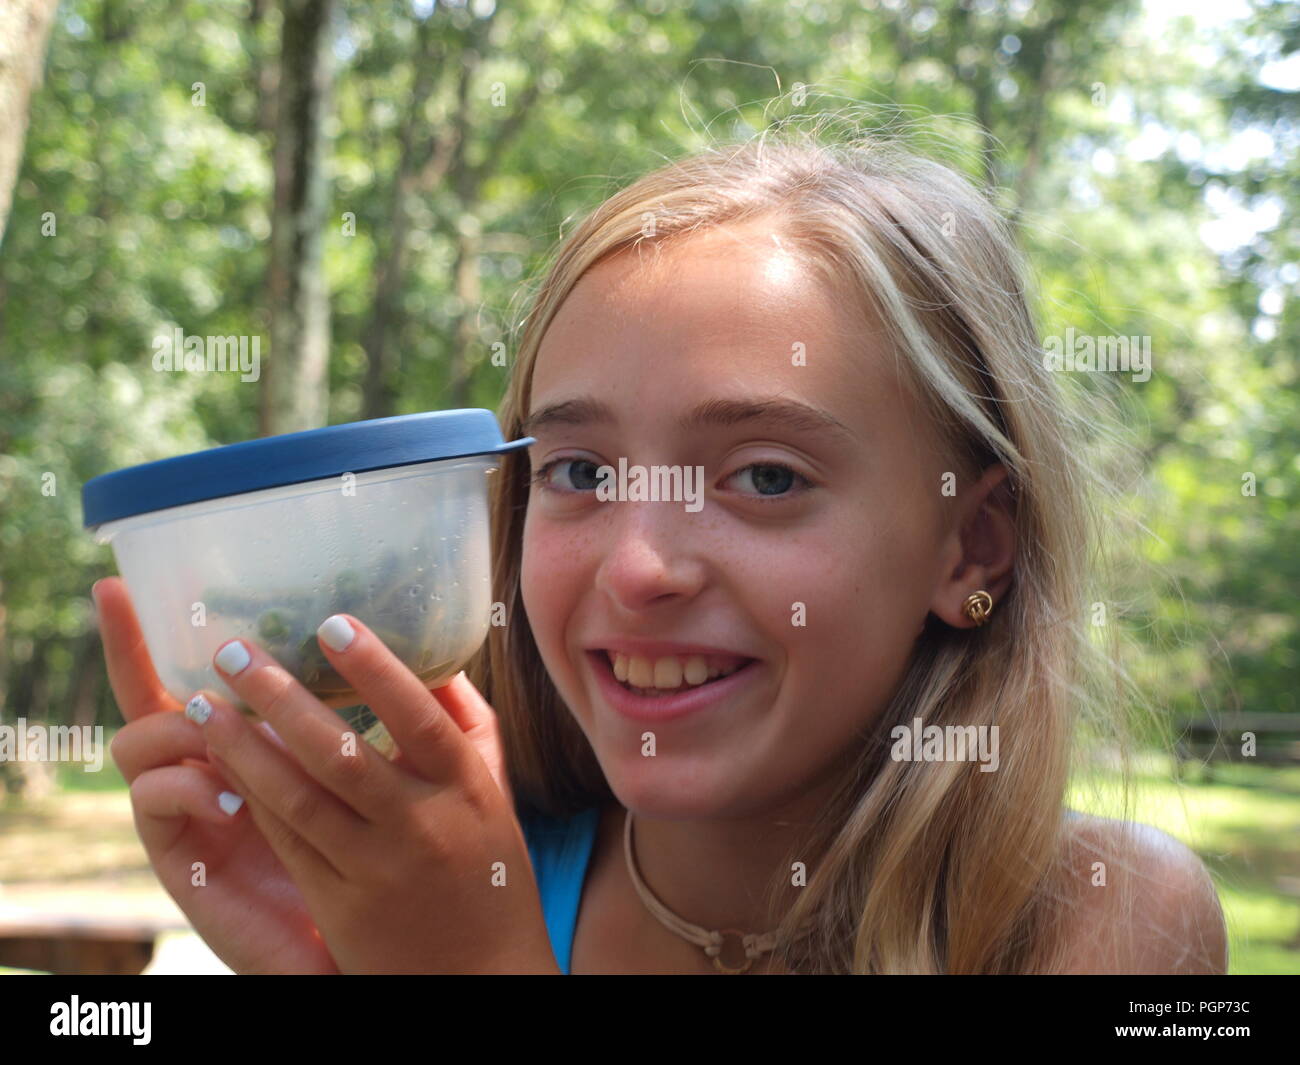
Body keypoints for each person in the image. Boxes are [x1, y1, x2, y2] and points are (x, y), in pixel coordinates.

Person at [100, 121, 1227, 974]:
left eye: (766, 478)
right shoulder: (431, 890)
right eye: (581, 473)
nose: (638, 567)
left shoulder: (1109, 919)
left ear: (969, 548)